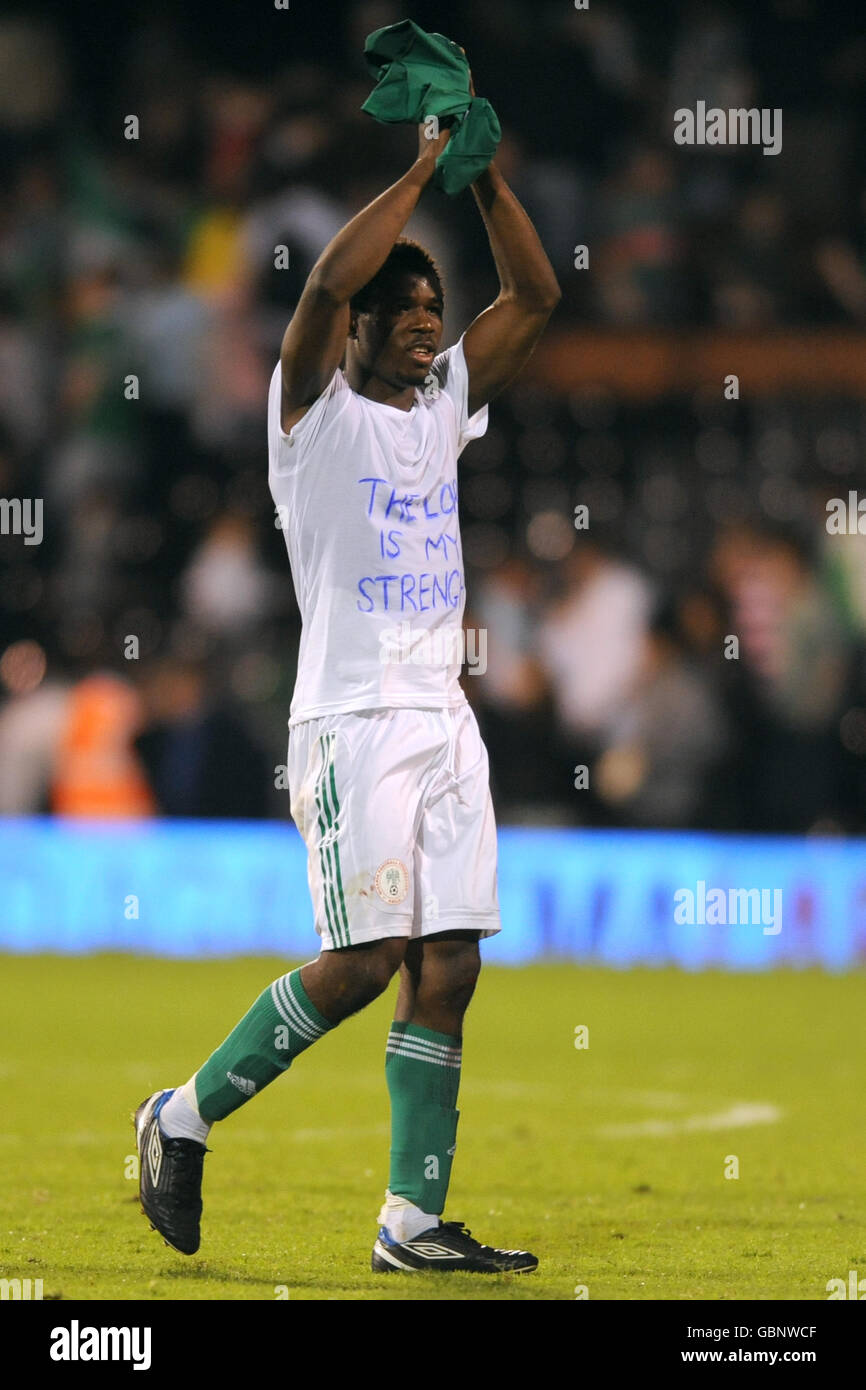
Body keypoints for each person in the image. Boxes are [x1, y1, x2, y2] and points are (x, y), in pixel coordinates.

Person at [135, 94, 560, 1275]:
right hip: (352, 722)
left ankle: (409, 1219)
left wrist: (483, 175)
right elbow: (322, 284)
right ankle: (180, 1113)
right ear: (361, 332)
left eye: (433, 307)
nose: (427, 323)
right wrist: (420, 167)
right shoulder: (307, 421)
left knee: (452, 962)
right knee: (366, 963)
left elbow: (535, 299)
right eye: (406, 309)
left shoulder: (443, 415)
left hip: (443, 718)